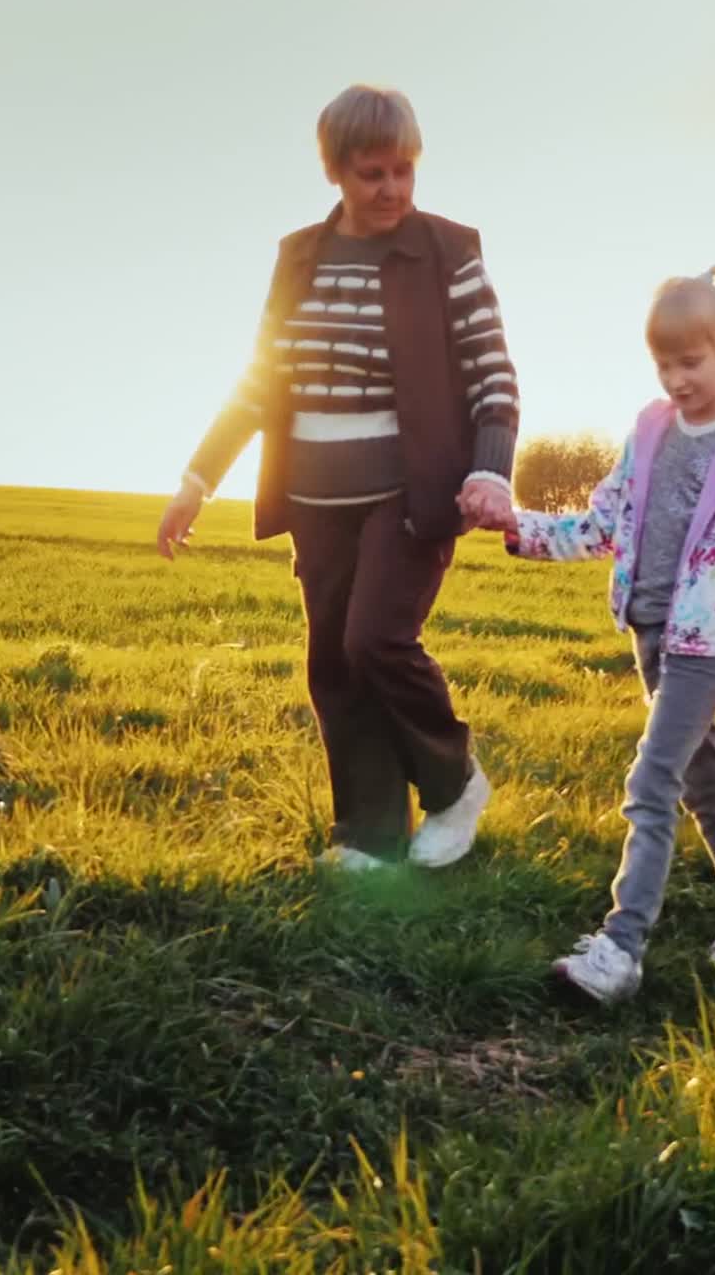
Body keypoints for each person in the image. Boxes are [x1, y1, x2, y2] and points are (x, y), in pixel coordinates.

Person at [156, 84, 520, 872]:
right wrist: (197, 479)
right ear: (335, 173)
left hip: (409, 492)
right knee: (333, 662)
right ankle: (370, 836)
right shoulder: (301, 258)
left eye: (403, 170)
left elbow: (493, 376)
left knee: (376, 639)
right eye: (371, 174)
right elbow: (262, 381)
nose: (391, 189)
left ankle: (455, 784)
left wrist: (491, 471)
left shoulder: (448, 252)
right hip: (316, 497)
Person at [505, 267, 715, 1003]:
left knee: (652, 781)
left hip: (709, 645)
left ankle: (621, 946)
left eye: (691, 362)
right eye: (664, 364)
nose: (677, 380)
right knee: (705, 782)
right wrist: (521, 529)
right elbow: (603, 523)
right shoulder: (648, 431)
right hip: (651, 631)